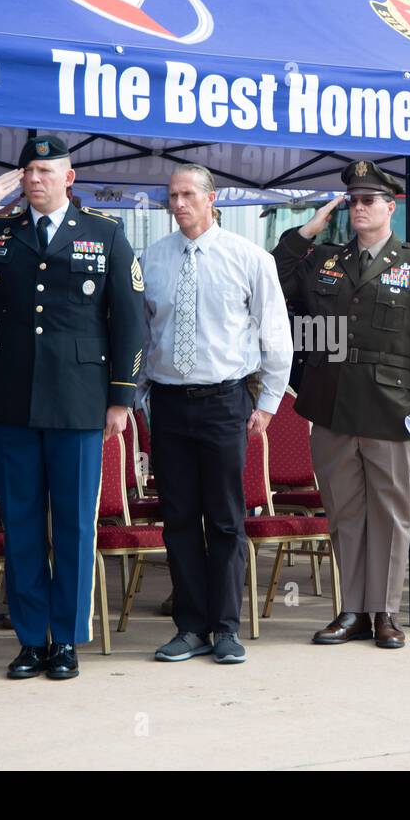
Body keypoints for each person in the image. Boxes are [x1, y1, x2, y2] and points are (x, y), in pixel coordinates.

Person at [0, 136, 143, 681]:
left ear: (69, 177)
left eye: (46, 170)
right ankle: (31, 639)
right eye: (28, 170)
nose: (34, 179)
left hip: (79, 400)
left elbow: (131, 319)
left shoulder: (106, 233)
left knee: (74, 523)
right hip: (11, 399)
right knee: (22, 523)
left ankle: (67, 638)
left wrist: (122, 396)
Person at [271, 160, 410, 648]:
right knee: (344, 512)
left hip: (392, 406)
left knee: (390, 513)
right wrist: (308, 230)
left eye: (369, 200)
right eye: (352, 200)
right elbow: (275, 277)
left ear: (391, 206)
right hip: (330, 404)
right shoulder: (327, 260)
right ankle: (351, 610)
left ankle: (385, 612)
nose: (359, 207)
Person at [140, 163, 291, 664]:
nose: (178, 204)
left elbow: (275, 334)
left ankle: (226, 628)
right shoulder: (152, 259)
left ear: (212, 198)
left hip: (226, 402)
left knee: (226, 519)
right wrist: (138, 398)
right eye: (172, 196)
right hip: (167, 403)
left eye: (187, 195)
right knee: (179, 518)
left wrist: (268, 403)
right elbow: (142, 337)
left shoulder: (249, 258)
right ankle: (190, 626)